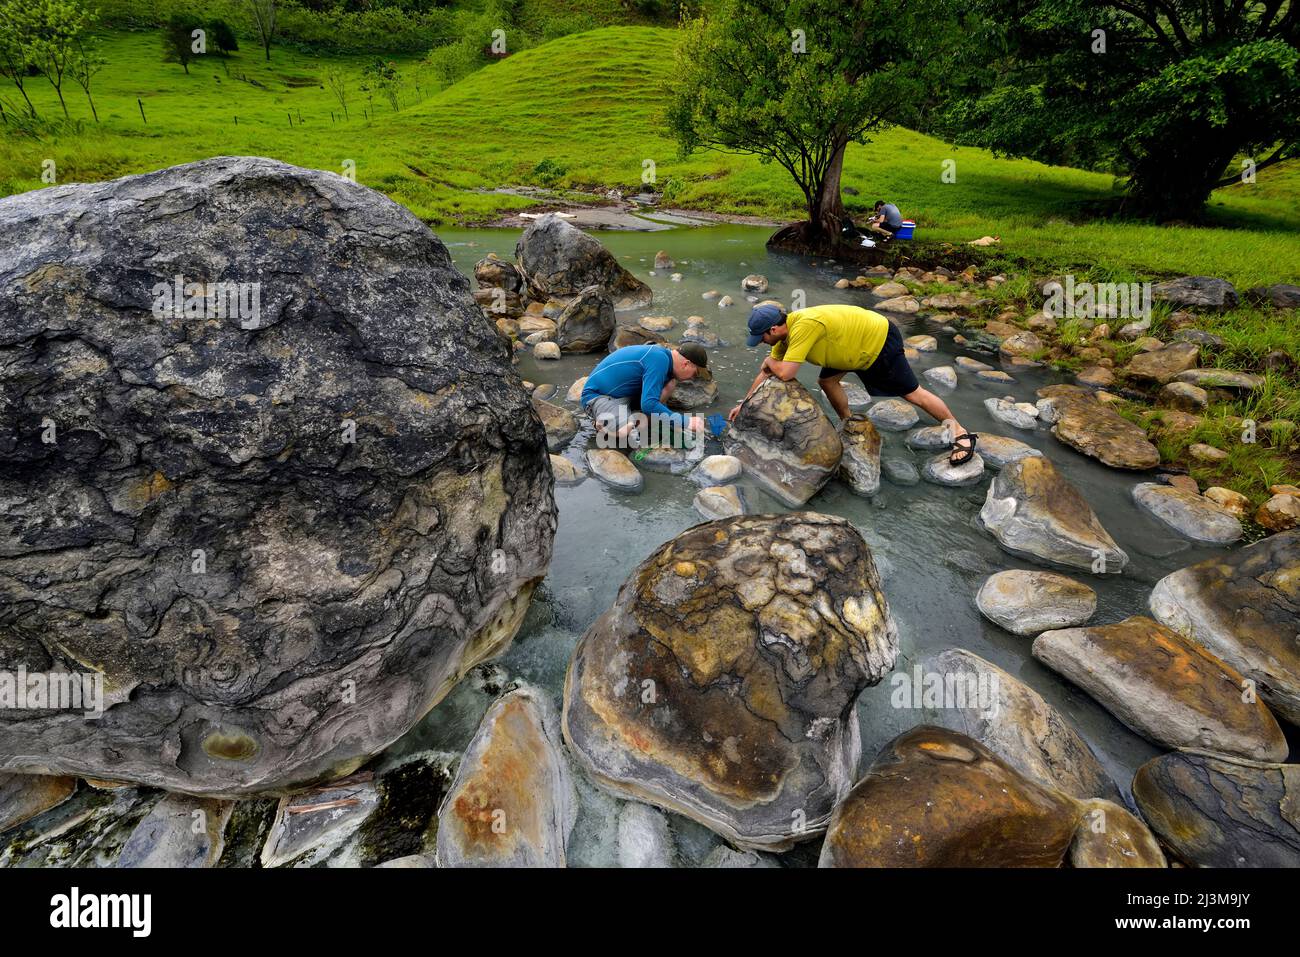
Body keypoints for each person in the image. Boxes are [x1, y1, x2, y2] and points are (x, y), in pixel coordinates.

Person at [729, 301, 977, 465]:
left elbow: (784, 373)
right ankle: (849, 423)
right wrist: (745, 404)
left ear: (773, 329)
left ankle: (961, 433)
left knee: (912, 393)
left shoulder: (804, 326)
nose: (760, 342)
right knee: (827, 380)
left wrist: (770, 363)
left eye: (760, 338)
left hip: (875, 340)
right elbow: (767, 372)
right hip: (848, 344)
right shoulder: (783, 339)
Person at [581, 342, 708, 445]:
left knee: (670, 384)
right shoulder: (659, 359)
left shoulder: (664, 359)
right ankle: (601, 425)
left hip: (624, 395)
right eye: (695, 373)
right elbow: (648, 404)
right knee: (626, 431)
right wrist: (685, 422)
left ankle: (641, 420)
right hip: (598, 397)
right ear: (686, 364)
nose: (693, 378)